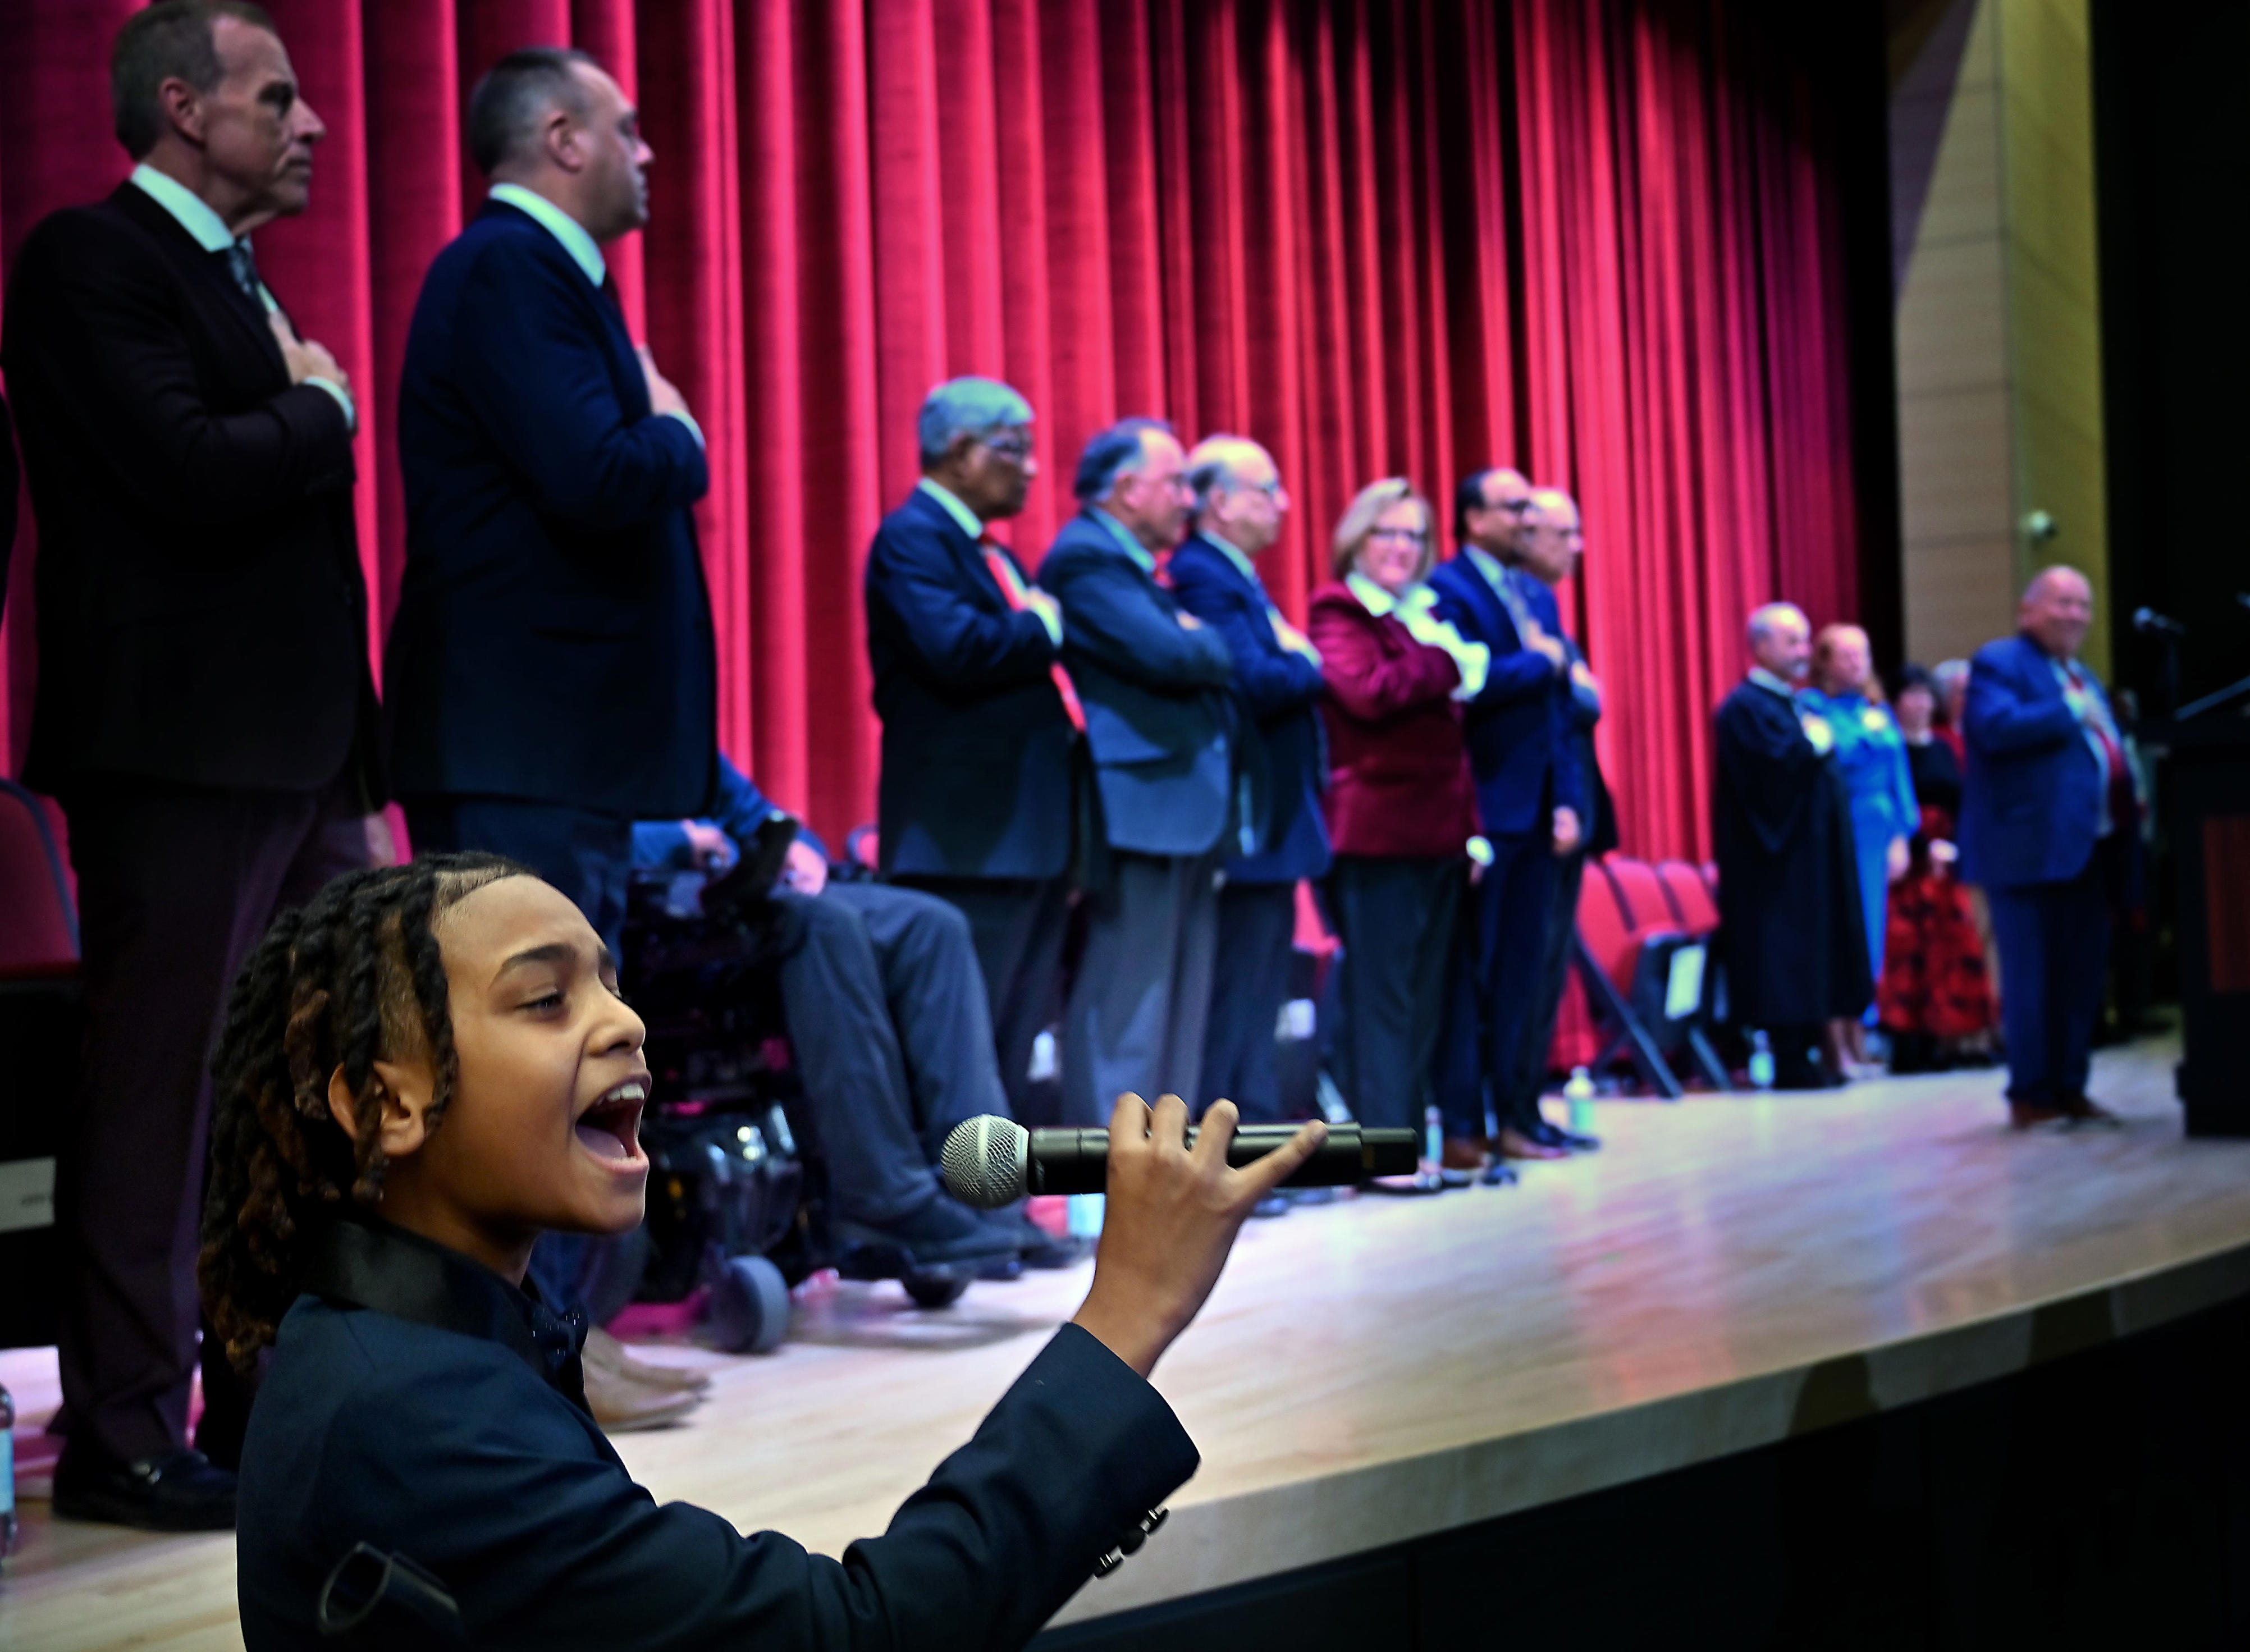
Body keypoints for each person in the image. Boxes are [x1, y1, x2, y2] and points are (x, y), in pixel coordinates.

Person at [203, 857, 1324, 1648]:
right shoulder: (413, 1416)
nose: (624, 1021)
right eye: (545, 998)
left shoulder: (415, 1344)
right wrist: (1128, 1312)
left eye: (610, 982)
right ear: (385, 1105)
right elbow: (860, 1636)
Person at [1, 0, 383, 1528]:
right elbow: (183, 468)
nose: (312, 123)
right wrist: (320, 407)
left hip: (299, 753)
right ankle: (125, 1431)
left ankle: (266, 1397)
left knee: (296, 1094)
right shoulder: (89, 260)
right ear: (181, 106)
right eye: (277, 97)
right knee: (161, 1097)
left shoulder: (235, 277)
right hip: (181, 752)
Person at [382, 47, 729, 1422]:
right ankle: (521, 1360)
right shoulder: (508, 270)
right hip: (515, 742)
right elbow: (597, 471)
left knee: (564, 1046)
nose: (650, 154)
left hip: (556, 747)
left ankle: (558, 1339)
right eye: (628, 131)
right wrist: (679, 433)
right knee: (517, 1060)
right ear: (562, 137)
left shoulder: (549, 278)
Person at [634, 755, 1068, 1266]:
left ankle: (987, 1190)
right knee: (824, 925)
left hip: (740, 887)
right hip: (653, 896)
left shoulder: (676, 733)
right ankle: (885, 1196)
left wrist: (800, 848)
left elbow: (755, 813)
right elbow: (575, 836)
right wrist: (678, 841)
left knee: (932, 927)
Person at [863, 378, 1077, 1124]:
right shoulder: (913, 537)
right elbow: (955, 648)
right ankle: (959, 1186)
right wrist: (1041, 624)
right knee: (963, 1039)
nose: (1031, 469)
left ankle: (995, 1181)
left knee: (1014, 1034)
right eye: (1014, 450)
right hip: (966, 839)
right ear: (960, 453)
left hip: (1022, 834)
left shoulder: (992, 553)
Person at [1037, 420, 1237, 1125]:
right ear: (1126, 489)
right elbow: (1174, 656)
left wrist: (1197, 639)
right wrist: (1199, 638)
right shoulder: (1086, 559)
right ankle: (1112, 1155)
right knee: (1129, 996)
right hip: (1138, 807)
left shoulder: (1128, 565)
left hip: (1175, 807)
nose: (1188, 499)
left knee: (1178, 997)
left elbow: (1196, 650)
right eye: (1175, 482)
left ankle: (1163, 1153)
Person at [1307, 479, 1487, 1133]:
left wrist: (1471, 831)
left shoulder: (1422, 613)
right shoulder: (1340, 609)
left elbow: (1450, 744)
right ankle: (1381, 1148)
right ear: (1358, 538)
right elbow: (1367, 692)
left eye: (1414, 535)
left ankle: (1406, 1140)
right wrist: (1447, 662)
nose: (1401, 548)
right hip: (1376, 834)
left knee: (1423, 1000)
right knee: (1382, 999)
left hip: (1439, 834)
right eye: (1387, 532)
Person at [1169, 436, 1329, 1127]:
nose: (1282, 504)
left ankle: (1254, 1127)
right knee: (1237, 987)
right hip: (1246, 814)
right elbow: (1255, 679)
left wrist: (1295, 657)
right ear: (1221, 503)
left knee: (1263, 984)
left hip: (1272, 815)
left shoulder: (1236, 576)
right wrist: (1310, 662)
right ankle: (1223, 1135)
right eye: (1267, 490)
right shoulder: (1203, 574)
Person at [1429, 468, 1583, 1165]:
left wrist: (1566, 799)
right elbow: (1468, 682)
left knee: (1526, 970)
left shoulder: (1534, 594)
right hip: (1485, 805)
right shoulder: (1448, 588)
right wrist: (1539, 662)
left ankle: (1521, 1113)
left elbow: (1560, 711)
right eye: (1513, 507)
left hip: (1539, 806)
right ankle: (1467, 1122)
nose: (1527, 519)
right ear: (1474, 518)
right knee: (1475, 974)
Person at [1960, 566, 2138, 1128]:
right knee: (2032, 980)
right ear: (2028, 610)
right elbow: (1993, 728)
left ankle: (2069, 1087)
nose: (2075, 615)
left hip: (2089, 848)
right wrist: (2067, 711)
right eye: (2063, 602)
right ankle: (2032, 1095)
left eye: (2083, 605)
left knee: (2080, 979)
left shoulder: (2081, 674)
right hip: (2027, 852)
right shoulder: (2000, 662)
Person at [1712, 603, 1872, 1089]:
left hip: (1809, 861)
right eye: (1792, 641)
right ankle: (1791, 1059)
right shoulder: (1746, 707)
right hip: (1775, 868)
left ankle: (1810, 1053)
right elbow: (1772, 777)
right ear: (1761, 646)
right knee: (1785, 956)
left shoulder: (1792, 704)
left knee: (1816, 952)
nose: (1804, 651)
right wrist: (1810, 747)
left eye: (1805, 640)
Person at [1504, 487, 1611, 1148]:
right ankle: (1510, 1112)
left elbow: (1583, 699)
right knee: (1523, 968)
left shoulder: (1543, 605)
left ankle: (1528, 1107)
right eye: (1562, 533)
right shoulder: (1511, 600)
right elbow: (1567, 703)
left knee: (1546, 970)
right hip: (1532, 808)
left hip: (1566, 803)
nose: (1577, 547)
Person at [1799, 624, 1917, 1071]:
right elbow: (1831, 757)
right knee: (1844, 932)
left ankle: (1862, 1032)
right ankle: (1838, 1041)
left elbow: (1899, 773)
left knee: (1873, 934)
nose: (1857, 663)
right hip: (1840, 829)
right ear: (1824, 661)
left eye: (1862, 654)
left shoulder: (1877, 710)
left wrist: (1902, 835)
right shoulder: (1812, 707)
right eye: (1846, 655)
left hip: (1879, 830)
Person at [1875, 665, 1995, 1072]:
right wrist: (1923, 847)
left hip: (1947, 860)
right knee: (1910, 951)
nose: (1921, 703)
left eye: (1926, 695)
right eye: (1911, 695)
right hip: (1910, 860)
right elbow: (1895, 804)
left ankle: (1957, 1040)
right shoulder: (1890, 746)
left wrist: (1956, 847)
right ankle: (1911, 1045)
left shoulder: (1943, 748)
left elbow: (1960, 801)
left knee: (1956, 947)